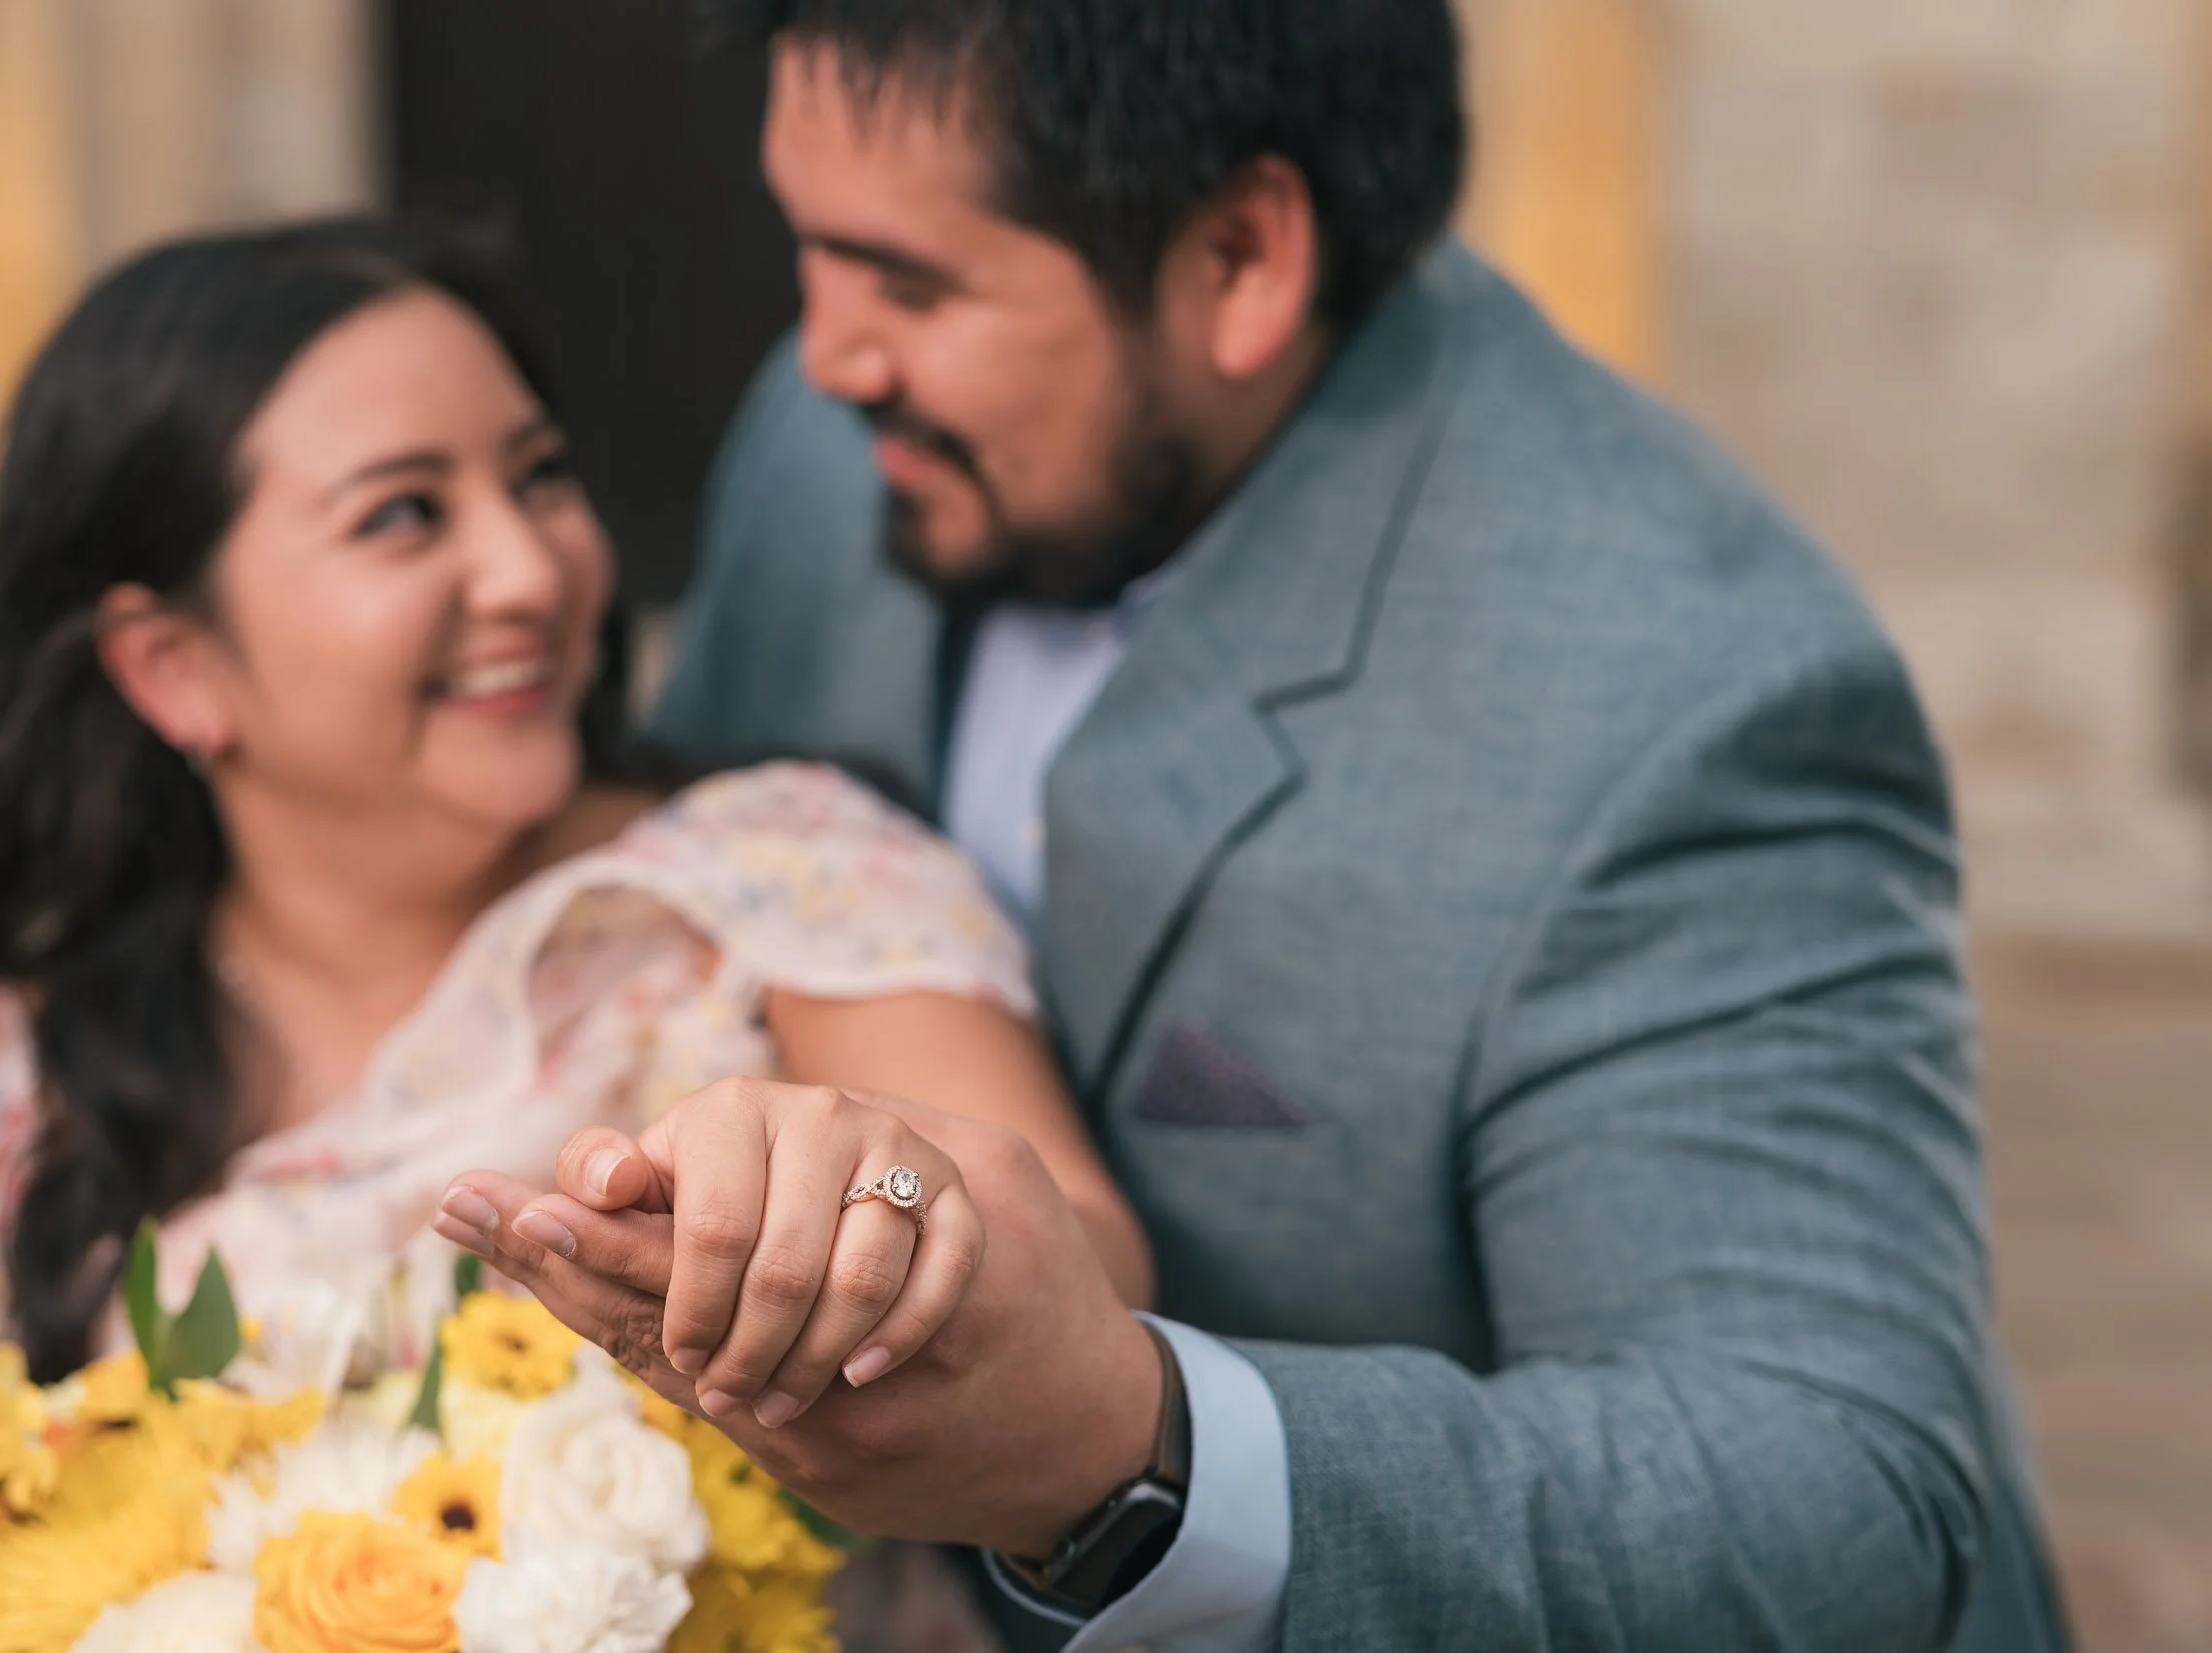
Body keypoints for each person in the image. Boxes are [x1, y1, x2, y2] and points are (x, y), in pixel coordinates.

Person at [430, 3, 2070, 1651]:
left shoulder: (1690, 697)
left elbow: (1834, 1499)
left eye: (910, 282)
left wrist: (1129, 1444)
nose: (829, 352)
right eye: (816, 254)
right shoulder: (832, 441)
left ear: (1240, 258)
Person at [0, 219, 1148, 1645]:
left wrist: (872, 1224)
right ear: (173, 666)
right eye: (404, 513)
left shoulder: (768, 886)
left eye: (538, 479)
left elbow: (1086, 1268)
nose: (531, 571)